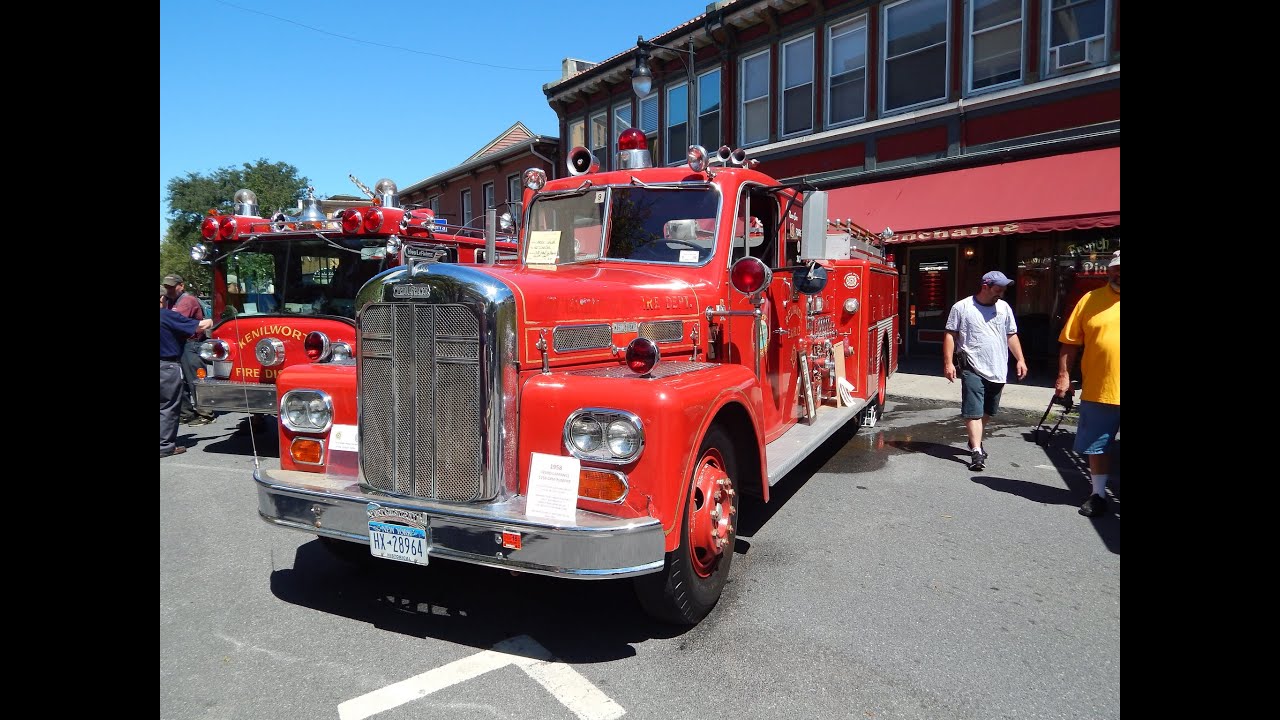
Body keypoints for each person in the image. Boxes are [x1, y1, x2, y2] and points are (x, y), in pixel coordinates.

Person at [1056, 250, 1120, 518]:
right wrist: (1063, 375)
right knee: (1097, 446)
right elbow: (1070, 342)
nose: (1120, 273)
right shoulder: (1090, 300)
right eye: (1117, 268)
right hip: (1100, 388)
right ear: (1109, 270)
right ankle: (1098, 494)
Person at [943, 270, 1028, 471]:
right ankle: (976, 452)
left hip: (998, 368)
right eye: (998, 289)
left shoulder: (1004, 308)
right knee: (973, 411)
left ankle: (975, 440)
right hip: (972, 366)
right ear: (985, 286)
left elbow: (1011, 335)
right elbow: (950, 335)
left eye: (1004, 289)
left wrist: (1021, 359)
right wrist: (948, 363)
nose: (1002, 293)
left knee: (987, 411)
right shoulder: (962, 307)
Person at [162, 287, 214, 458]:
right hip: (166, 365)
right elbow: (200, 326)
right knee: (168, 406)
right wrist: (214, 320)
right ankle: (164, 445)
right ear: (162, 299)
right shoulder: (166, 315)